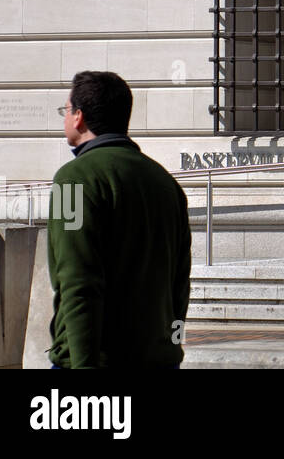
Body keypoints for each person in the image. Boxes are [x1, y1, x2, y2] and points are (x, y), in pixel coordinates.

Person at [48, 70, 191, 368]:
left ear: (78, 116)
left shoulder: (71, 180)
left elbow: (77, 280)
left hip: (96, 360)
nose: (65, 117)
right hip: (158, 359)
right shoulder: (166, 184)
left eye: (66, 109)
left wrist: (83, 364)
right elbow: (180, 284)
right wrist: (173, 349)